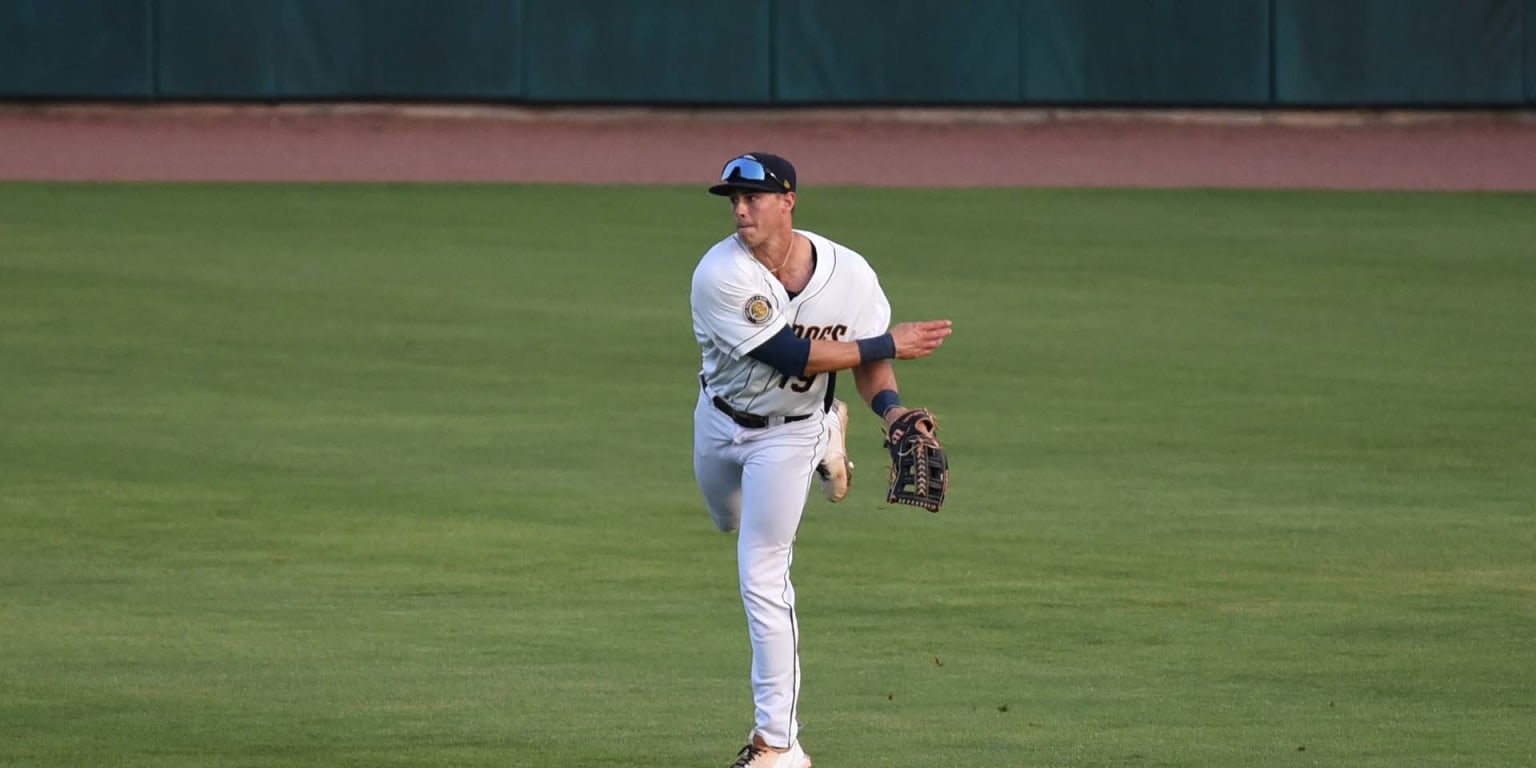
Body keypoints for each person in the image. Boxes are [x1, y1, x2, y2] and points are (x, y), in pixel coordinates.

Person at [690, 152, 952, 768]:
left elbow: (867, 363)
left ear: (788, 202)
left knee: (762, 570)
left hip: (788, 434)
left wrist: (891, 412)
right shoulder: (720, 273)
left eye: (752, 198)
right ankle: (834, 432)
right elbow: (789, 354)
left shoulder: (850, 274)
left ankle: (776, 745)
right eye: (733, 199)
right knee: (725, 519)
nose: (740, 210)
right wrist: (894, 340)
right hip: (719, 421)